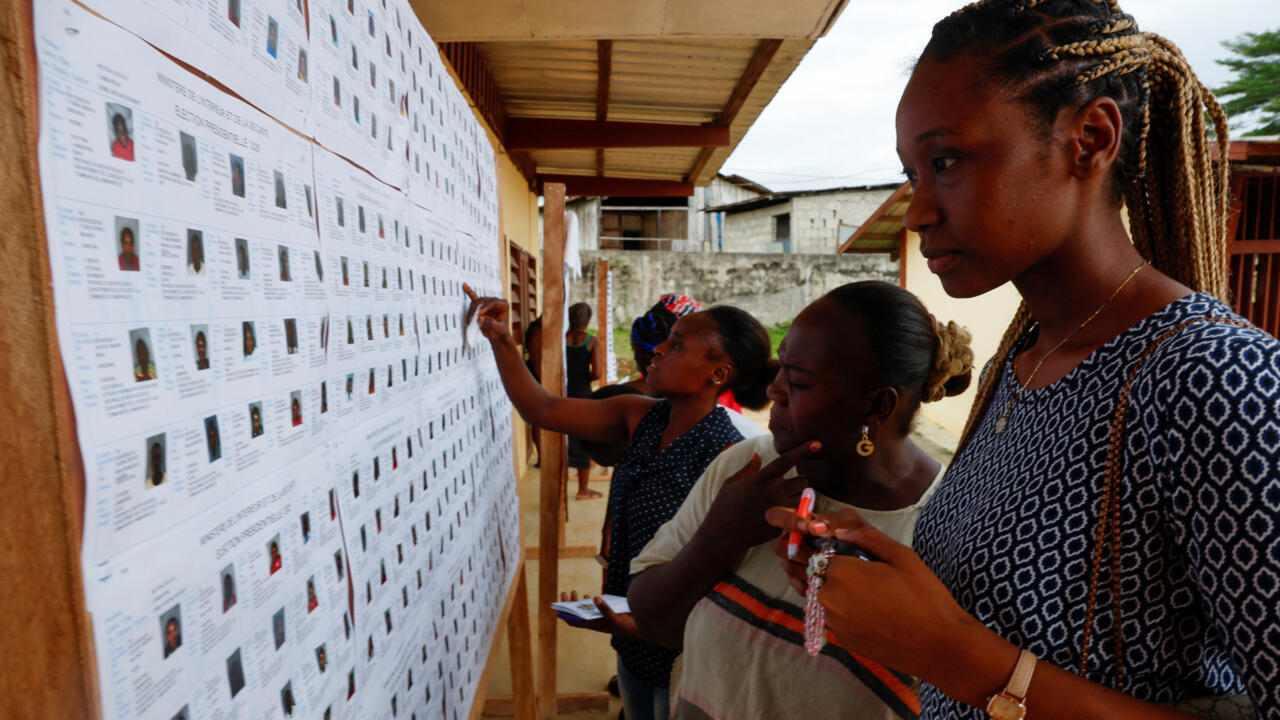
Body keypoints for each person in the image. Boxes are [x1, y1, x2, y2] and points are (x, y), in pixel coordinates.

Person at [764, 3, 1280, 718]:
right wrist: (879, 574)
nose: (915, 211)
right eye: (914, 172)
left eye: (945, 162)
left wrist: (956, 657)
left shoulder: (1214, 380)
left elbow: (976, 657)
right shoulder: (1027, 364)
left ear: (1089, 140)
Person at [626, 282, 972, 719]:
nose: (774, 391)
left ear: (876, 407)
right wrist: (723, 533)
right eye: (781, 368)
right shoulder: (748, 467)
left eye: (800, 381)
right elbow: (653, 621)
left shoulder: (941, 527)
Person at [464, 283, 777, 720]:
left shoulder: (730, 455)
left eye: (677, 344)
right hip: (632, 634)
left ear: (718, 375)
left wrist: (636, 622)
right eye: (667, 339)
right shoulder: (642, 416)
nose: (659, 350)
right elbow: (544, 408)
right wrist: (502, 341)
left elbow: (718, 570)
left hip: (684, 650)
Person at [565, 303, 606, 499]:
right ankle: (583, 489)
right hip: (582, 394)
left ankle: (559, 489)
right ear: (587, 320)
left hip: (561, 392)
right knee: (583, 438)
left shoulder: (560, 339)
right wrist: (585, 377)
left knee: (562, 438)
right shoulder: (592, 341)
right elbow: (597, 372)